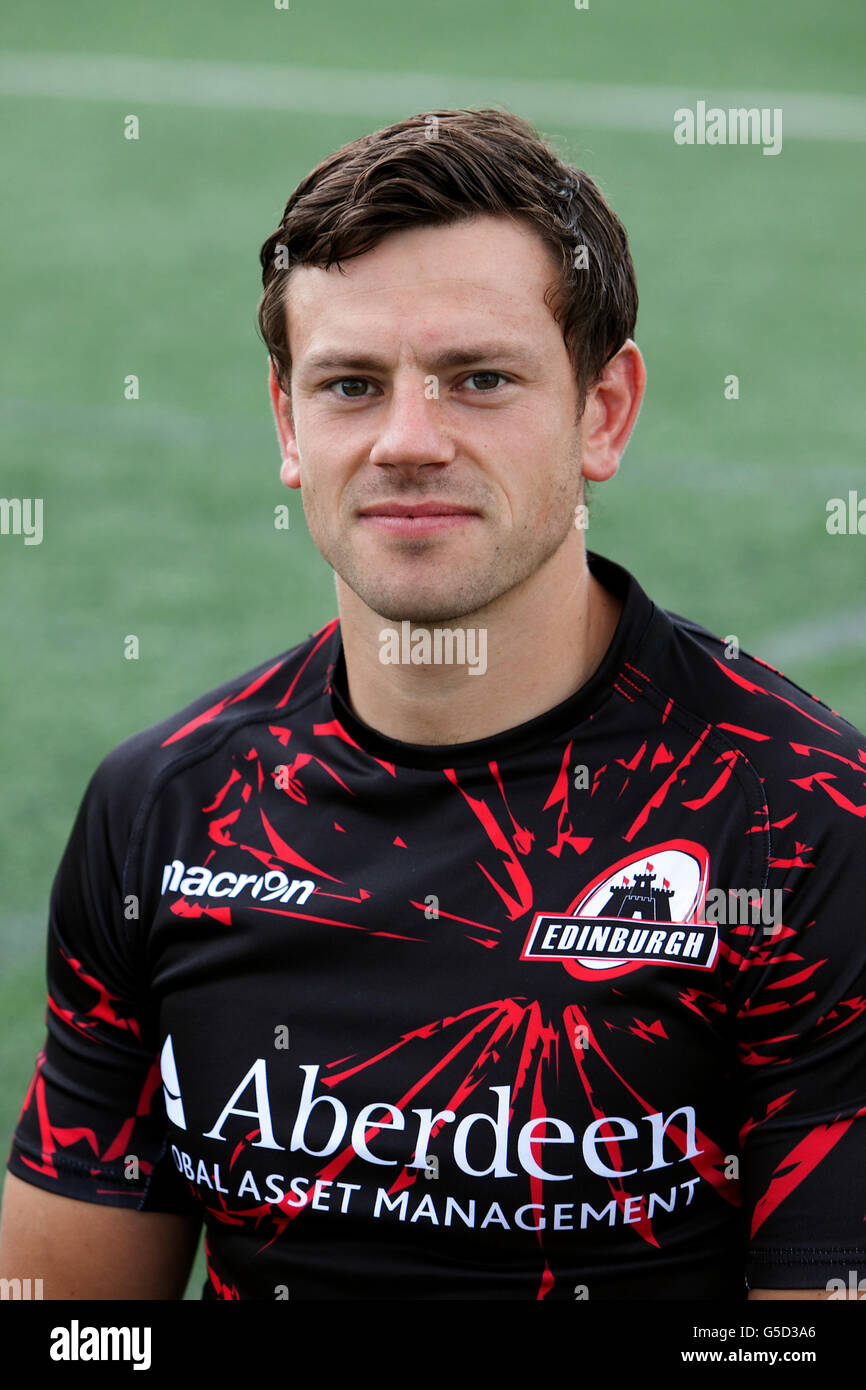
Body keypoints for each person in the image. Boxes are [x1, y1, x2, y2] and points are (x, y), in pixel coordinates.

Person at [1, 107, 864, 1302]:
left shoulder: (804, 821)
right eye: (351, 384)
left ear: (602, 412)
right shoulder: (162, 809)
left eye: (479, 380)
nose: (407, 441)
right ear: (286, 425)